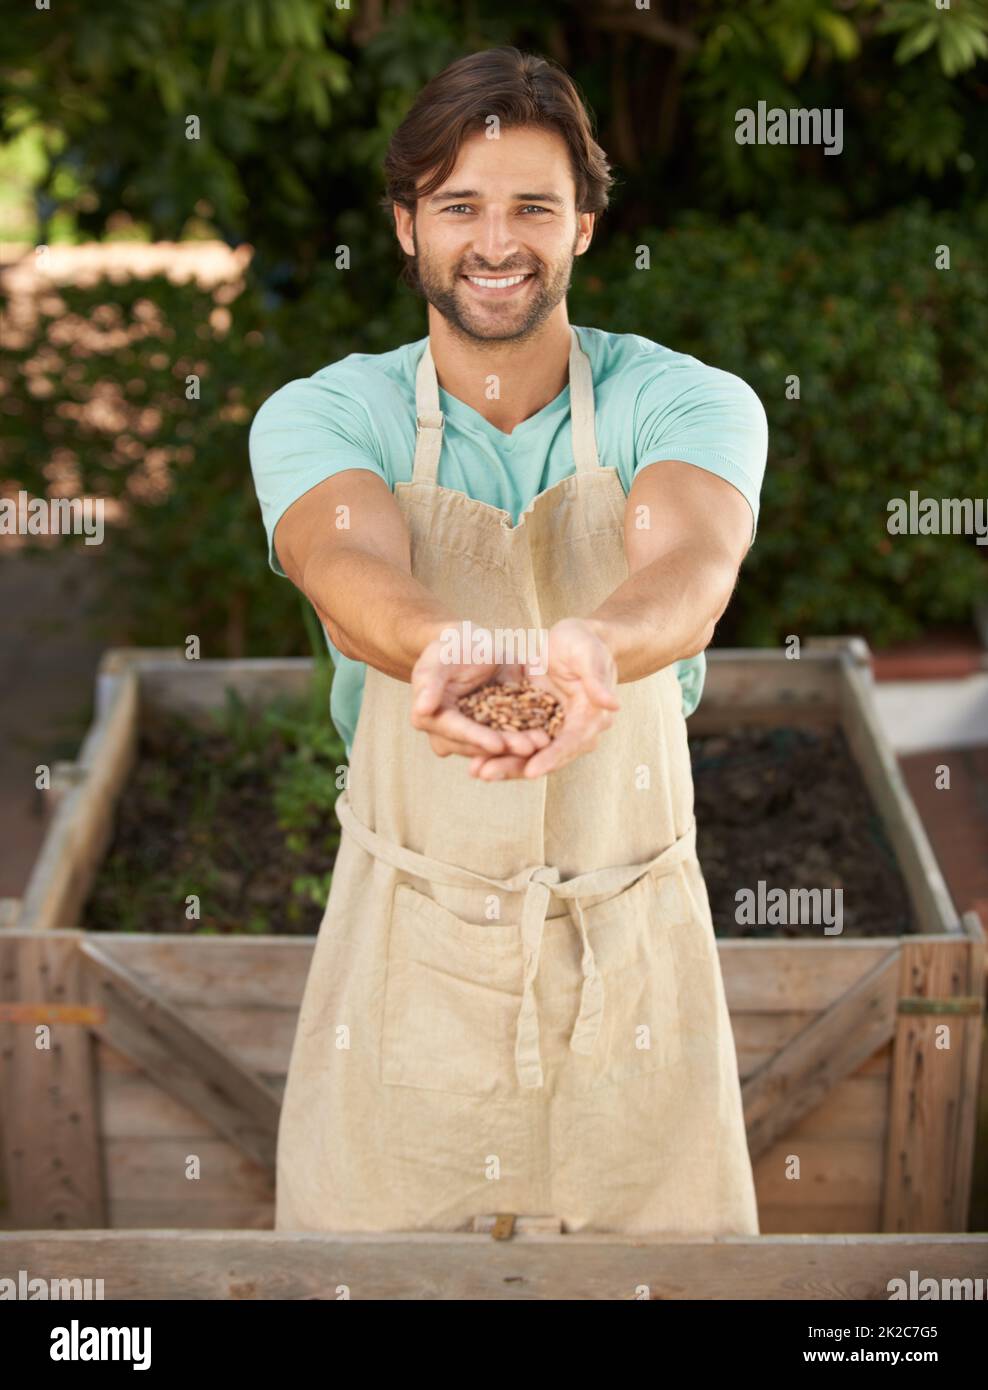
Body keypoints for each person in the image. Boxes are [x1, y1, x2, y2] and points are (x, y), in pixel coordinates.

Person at [249, 46, 767, 1235]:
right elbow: (348, 566)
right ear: (404, 226)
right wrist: (446, 648)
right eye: (459, 207)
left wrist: (593, 648)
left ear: (584, 223)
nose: (497, 241)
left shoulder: (683, 401)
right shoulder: (328, 414)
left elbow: (690, 563)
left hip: (630, 938)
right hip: (407, 942)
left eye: (533, 205)